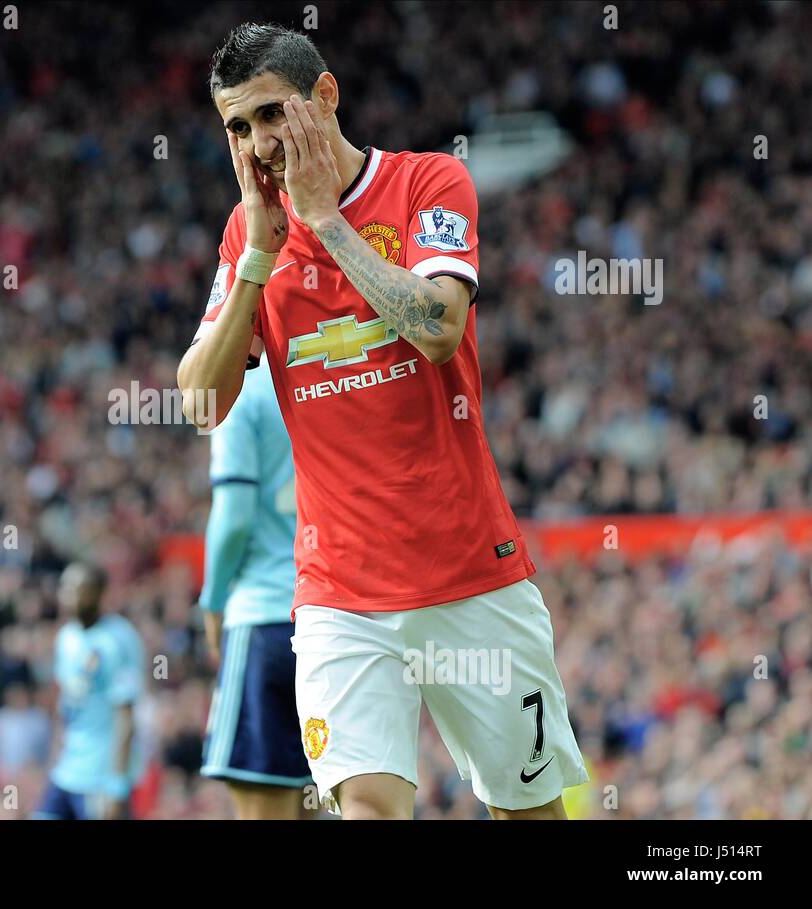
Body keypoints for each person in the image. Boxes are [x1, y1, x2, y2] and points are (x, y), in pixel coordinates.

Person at [177, 23, 587, 819]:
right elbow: (198, 403)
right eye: (238, 126)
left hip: (470, 571)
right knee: (364, 808)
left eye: (270, 114)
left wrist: (327, 223)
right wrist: (261, 256)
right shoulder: (245, 237)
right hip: (340, 594)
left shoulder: (428, 183)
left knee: (527, 811)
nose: (259, 142)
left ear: (325, 94)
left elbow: (436, 328)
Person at [198, 360, 314, 819]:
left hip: (265, 616)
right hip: (336, 614)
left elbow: (234, 519)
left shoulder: (240, 389)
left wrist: (213, 602)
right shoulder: (332, 368)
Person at [32, 562, 145, 820]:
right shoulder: (67, 637)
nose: (68, 595)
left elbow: (126, 716)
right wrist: (54, 761)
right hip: (68, 770)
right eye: (65, 587)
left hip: (100, 776)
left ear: (99, 593)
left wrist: (117, 785)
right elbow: (67, 705)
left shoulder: (118, 639)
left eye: (78, 589)